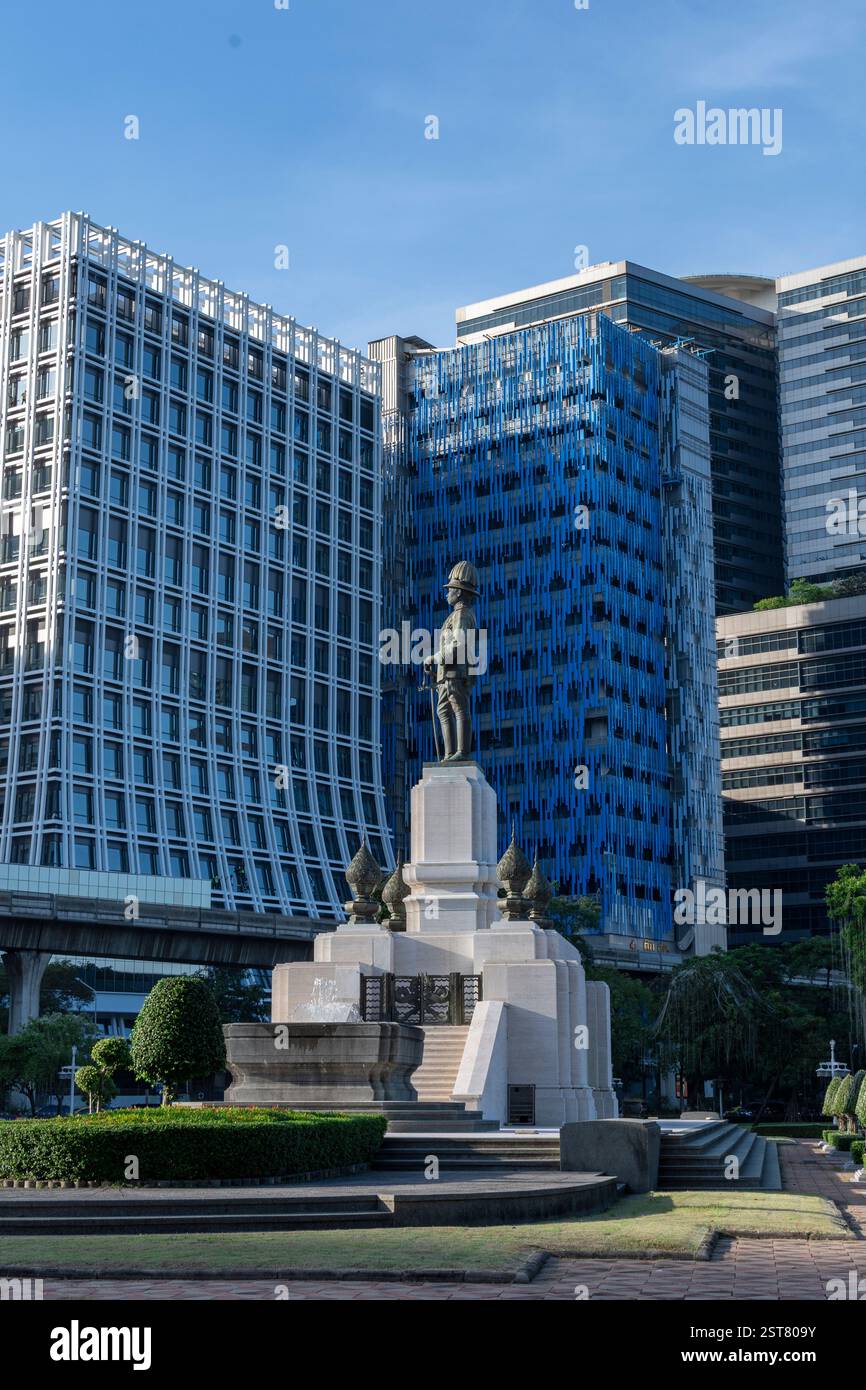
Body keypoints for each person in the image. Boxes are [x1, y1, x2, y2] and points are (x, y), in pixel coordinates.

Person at [423, 560, 481, 761]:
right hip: (446, 672)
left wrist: (436, 657)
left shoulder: (462, 615)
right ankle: (449, 754)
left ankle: (461, 752)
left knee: (458, 708)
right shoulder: (457, 615)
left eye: (450, 590)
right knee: (443, 710)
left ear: (459, 593)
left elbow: (460, 643)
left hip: (454, 672)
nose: (447, 594)